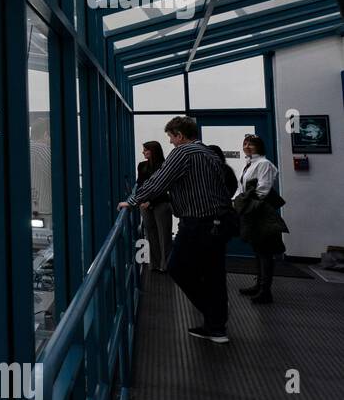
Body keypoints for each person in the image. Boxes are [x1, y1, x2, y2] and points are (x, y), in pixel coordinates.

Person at [119, 116, 237, 344]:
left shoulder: (183, 153)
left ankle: (214, 314)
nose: (171, 143)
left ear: (179, 136)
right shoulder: (208, 153)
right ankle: (216, 328)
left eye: (171, 138)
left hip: (197, 223)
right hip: (221, 221)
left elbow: (158, 181)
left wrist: (132, 201)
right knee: (214, 274)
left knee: (177, 268)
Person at [234, 134, 287, 305]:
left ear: (259, 146)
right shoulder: (250, 164)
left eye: (251, 144)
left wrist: (244, 203)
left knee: (265, 251)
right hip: (252, 211)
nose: (247, 146)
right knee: (257, 249)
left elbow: (263, 189)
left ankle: (265, 291)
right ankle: (259, 285)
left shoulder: (264, 164)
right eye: (245, 143)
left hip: (260, 212)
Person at [136, 141, 173, 273]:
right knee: (151, 234)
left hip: (160, 203)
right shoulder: (142, 166)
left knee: (164, 235)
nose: (143, 152)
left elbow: (163, 187)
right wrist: (142, 200)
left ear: (153, 151)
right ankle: (155, 264)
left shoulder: (163, 166)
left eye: (146, 150)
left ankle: (166, 265)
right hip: (146, 204)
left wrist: (149, 201)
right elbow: (140, 184)